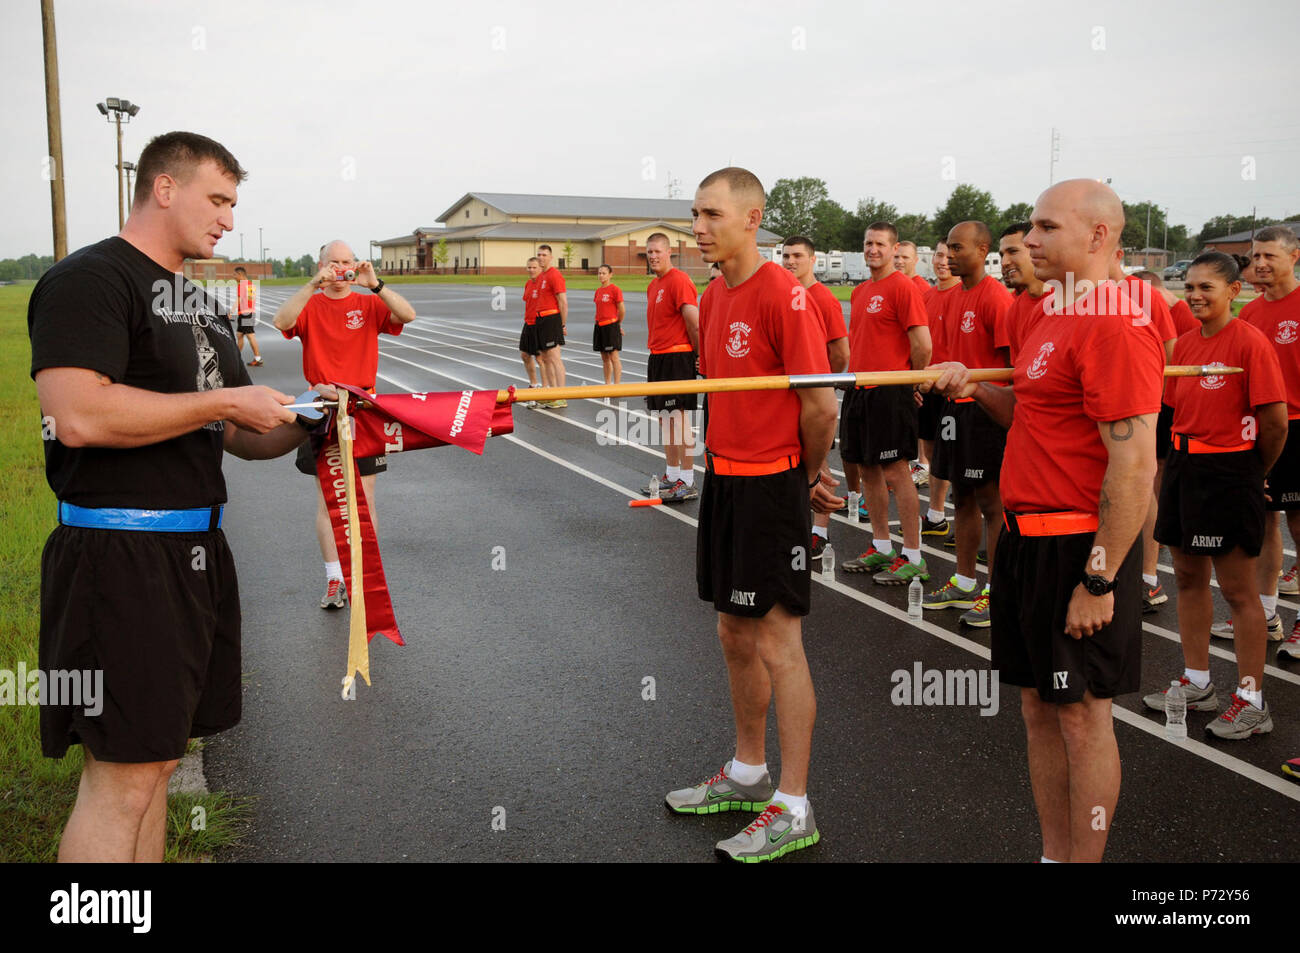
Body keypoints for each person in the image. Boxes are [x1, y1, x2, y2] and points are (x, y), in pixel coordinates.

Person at [29, 130, 304, 861]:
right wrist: (220, 406)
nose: (228, 218)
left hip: (193, 554)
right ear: (164, 187)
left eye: (234, 203)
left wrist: (318, 422)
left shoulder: (202, 305)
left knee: (151, 767)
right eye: (217, 199)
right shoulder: (90, 280)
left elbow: (242, 437)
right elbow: (80, 414)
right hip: (118, 556)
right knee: (120, 777)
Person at [927, 179, 1164, 862]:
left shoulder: (1116, 322)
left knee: (1084, 719)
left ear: (1098, 235)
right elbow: (1031, 413)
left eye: (1045, 227)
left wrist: (1099, 577)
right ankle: (1054, 855)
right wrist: (977, 387)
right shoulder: (1044, 311)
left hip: (1077, 548)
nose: (1028, 240)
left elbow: (1134, 467)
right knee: (1037, 710)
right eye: (1030, 226)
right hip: (1025, 542)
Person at [665, 166, 837, 862]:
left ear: (751, 218)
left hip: (772, 485)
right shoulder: (714, 292)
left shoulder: (784, 296)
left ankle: (793, 804)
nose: (697, 227)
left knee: (777, 639)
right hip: (726, 482)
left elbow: (820, 404)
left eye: (710, 214)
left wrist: (806, 474)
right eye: (695, 214)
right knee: (733, 629)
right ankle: (746, 770)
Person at [1141, 252, 1286, 738]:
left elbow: (1275, 423)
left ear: (1232, 290)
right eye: (1191, 286)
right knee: (1185, 576)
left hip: (1229, 471)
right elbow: (1170, 412)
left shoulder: (1250, 342)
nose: (1197, 295)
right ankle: (1198, 681)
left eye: (1208, 287)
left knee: (1239, 592)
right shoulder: (1181, 344)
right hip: (1185, 467)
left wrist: (1251, 471)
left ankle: (1251, 700)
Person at [273, 240, 417, 609]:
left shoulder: (368, 301)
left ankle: (363, 576)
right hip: (321, 407)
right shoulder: (311, 302)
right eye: (333, 263)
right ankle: (334, 578)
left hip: (363, 408)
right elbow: (281, 322)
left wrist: (376, 284)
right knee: (328, 499)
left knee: (365, 499)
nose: (340, 269)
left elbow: (408, 315)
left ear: (355, 264)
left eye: (346, 262)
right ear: (322, 265)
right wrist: (310, 286)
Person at [924, 221, 1013, 627]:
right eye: (948, 249)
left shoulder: (995, 297)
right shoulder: (954, 295)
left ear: (982, 250)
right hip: (954, 408)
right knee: (961, 496)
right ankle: (963, 580)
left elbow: (1013, 367)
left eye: (958, 248)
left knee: (992, 503)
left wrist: (986, 396)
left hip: (985, 410)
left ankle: (997, 593)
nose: (950, 255)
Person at [839, 222, 932, 585]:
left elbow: (922, 343)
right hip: (860, 388)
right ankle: (881, 545)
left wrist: (912, 379)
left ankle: (913, 555)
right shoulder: (861, 291)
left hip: (891, 390)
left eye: (880, 244)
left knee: (896, 471)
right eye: (868, 243)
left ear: (894, 250)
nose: (872, 249)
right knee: (867, 469)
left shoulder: (903, 288)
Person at [1224, 226, 1300, 656]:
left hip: (1298, 425)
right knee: (1265, 522)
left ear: (1294, 257)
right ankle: (1267, 613)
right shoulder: (1249, 314)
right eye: (1255, 257)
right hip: (1261, 428)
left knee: (1299, 524)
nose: (1260, 264)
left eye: (1270, 255)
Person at [781, 235, 849, 566]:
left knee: (819, 466)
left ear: (812, 260)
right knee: (800, 465)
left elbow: (840, 353)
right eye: (785, 255)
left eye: (797, 255)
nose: (790, 261)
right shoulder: (786, 296)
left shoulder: (823, 298)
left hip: (813, 398)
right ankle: (799, 528)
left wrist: (821, 384)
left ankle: (819, 534)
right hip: (788, 399)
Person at [644, 232, 701, 502]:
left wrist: (699, 355)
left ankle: (688, 481)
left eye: (658, 251)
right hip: (658, 357)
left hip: (677, 357)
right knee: (665, 420)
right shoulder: (654, 285)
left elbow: (694, 322)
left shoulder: (679, 280)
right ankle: (672, 474)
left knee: (678, 420)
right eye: (649, 252)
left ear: (669, 252)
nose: (653, 256)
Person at [534, 244, 568, 408]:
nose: (541, 257)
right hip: (541, 320)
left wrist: (561, 324)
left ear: (551, 257)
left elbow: (563, 302)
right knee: (545, 359)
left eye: (544, 255)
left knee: (555, 358)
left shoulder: (554, 275)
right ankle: (551, 393)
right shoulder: (541, 276)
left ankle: (561, 395)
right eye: (539, 255)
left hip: (552, 319)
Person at [592, 264, 625, 384]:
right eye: (599, 273)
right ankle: (607, 384)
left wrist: (617, 325)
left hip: (610, 326)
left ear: (610, 275)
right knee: (604, 358)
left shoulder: (615, 290)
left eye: (604, 273)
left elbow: (622, 310)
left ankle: (616, 385)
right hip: (599, 326)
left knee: (614, 357)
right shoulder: (598, 291)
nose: (601, 275)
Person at [519, 257, 542, 399]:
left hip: (540, 324)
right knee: (525, 355)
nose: (531, 270)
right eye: (529, 267)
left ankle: (547, 388)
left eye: (534, 267)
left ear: (540, 268)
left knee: (540, 358)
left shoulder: (543, 284)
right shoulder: (528, 284)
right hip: (528, 323)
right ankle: (534, 384)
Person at [233, 266, 262, 366]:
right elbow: (251, 300)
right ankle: (236, 358)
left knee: (250, 335)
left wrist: (231, 312)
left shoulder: (242, 285)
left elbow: (239, 299)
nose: (234, 277)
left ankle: (258, 359)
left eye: (235, 275)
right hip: (249, 313)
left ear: (240, 275)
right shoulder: (250, 285)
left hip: (246, 314)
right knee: (239, 335)